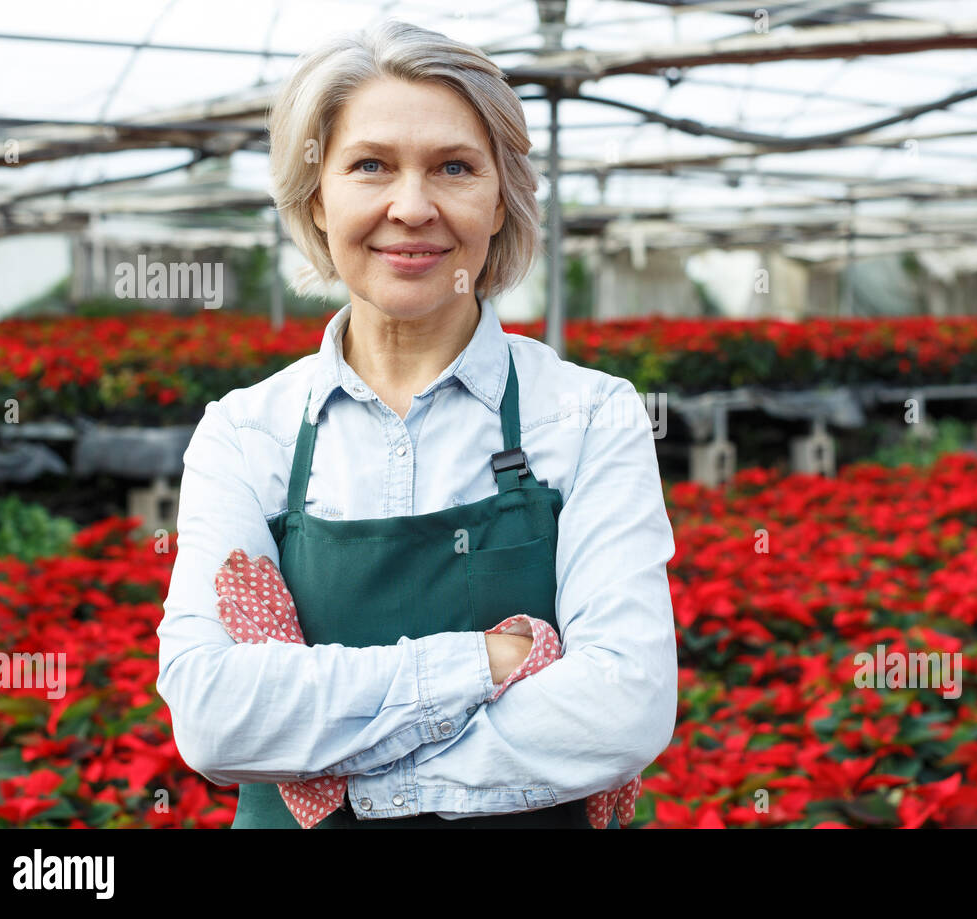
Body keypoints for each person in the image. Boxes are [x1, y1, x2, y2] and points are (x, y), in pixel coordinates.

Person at [154, 19, 678, 828]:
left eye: (455, 168)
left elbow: (624, 706)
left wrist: (369, 791)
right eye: (370, 166)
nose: (411, 206)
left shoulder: (590, 417)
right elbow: (215, 715)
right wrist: (487, 661)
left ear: (501, 200)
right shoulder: (244, 434)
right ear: (317, 198)